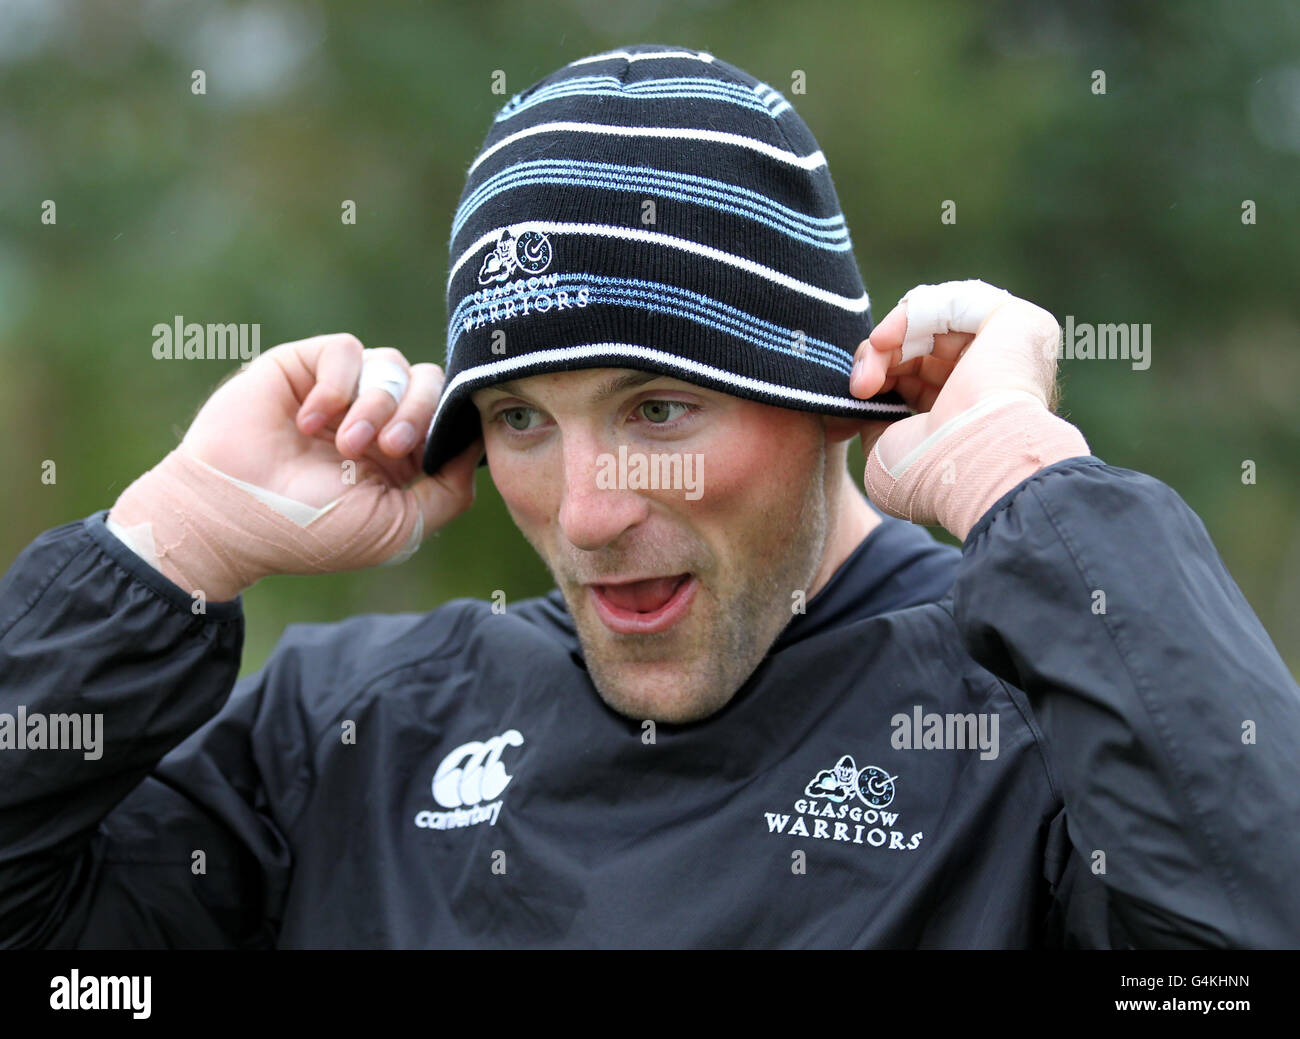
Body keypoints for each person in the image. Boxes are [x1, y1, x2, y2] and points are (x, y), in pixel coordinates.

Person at [2, 43, 1297, 949]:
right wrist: (166, 541)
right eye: (520, 421)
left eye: (658, 410)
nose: (586, 515)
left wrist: (1026, 480)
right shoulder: (348, 738)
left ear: (832, 399)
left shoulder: (1041, 727)